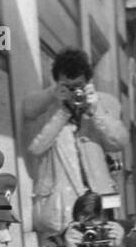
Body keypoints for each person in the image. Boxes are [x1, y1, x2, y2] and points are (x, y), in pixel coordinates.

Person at [22, 48, 127, 236]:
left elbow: (118, 142)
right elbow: (36, 148)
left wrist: (96, 112)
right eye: (67, 86)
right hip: (61, 208)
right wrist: (62, 111)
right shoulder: (45, 107)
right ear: (57, 83)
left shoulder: (103, 103)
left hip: (98, 206)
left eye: (78, 85)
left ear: (88, 82)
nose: (74, 92)